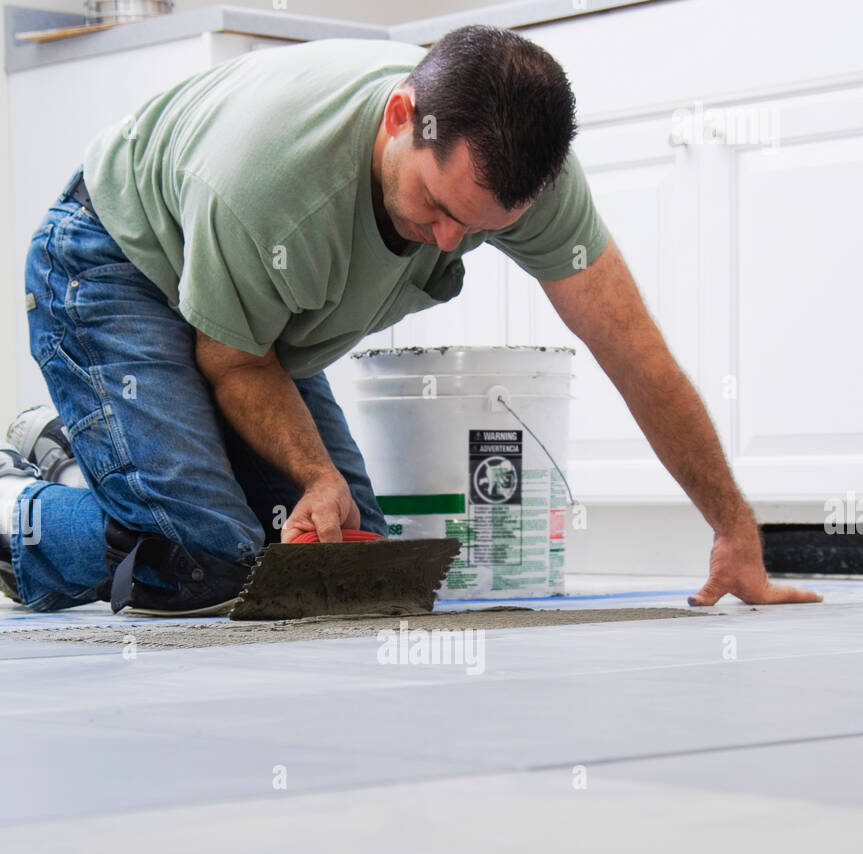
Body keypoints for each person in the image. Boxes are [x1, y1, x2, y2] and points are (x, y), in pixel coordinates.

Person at [0, 25, 819, 615]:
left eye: (481, 226)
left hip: (253, 323)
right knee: (203, 559)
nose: (450, 240)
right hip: (113, 263)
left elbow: (635, 354)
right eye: (435, 205)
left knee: (354, 572)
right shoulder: (269, 181)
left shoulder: (526, 181)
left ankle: (100, 445)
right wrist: (316, 478)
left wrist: (732, 529)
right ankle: (23, 505)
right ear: (400, 117)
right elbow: (233, 360)